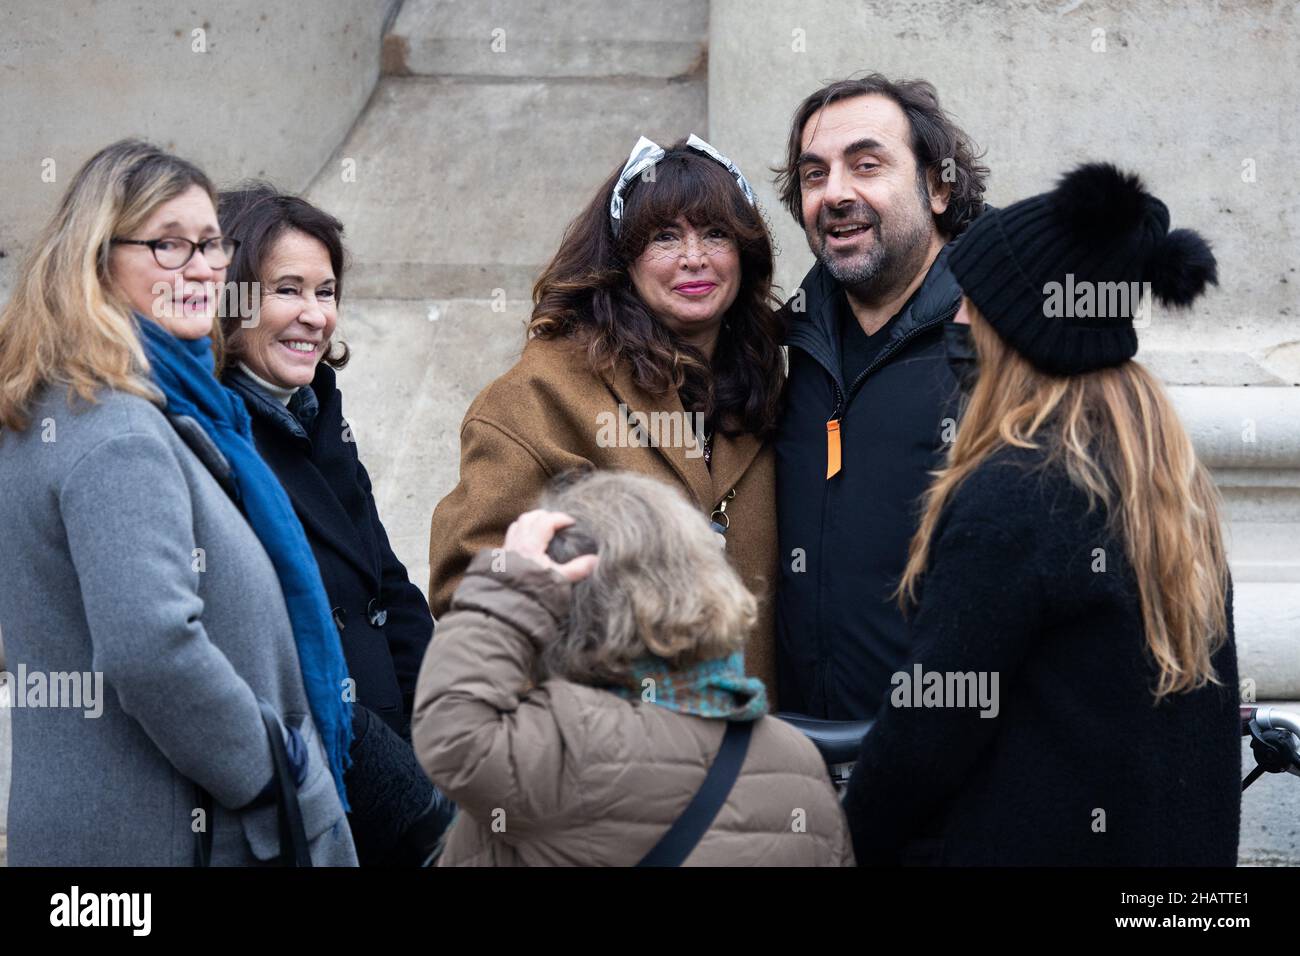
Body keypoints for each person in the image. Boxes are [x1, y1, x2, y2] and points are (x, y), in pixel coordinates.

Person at [843, 162, 1240, 866]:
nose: (956, 319)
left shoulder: (1020, 492)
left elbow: (925, 739)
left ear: (1021, 327)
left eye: (972, 301)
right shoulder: (1165, 481)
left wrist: (846, 842)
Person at [0, 140, 356, 865]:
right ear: (98, 257)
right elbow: (151, 647)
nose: (201, 267)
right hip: (169, 838)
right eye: (167, 245)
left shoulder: (67, 404)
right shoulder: (117, 431)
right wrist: (276, 779)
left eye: (210, 243)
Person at [428, 135, 785, 694]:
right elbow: (469, 584)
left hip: (750, 750)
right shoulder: (536, 394)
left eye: (715, 234)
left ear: (745, 252)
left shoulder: (772, 387)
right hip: (611, 755)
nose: (694, 257)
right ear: (622, 258)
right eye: (665, 237)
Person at [413, 470, 853, 866]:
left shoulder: (558, 743)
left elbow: (453, 732)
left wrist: (513, 581)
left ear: (564, 611)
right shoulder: (798, 763)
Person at [217, 186, 454, 865]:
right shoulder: (216, 440)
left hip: (396, 775)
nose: (314, 316)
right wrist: (413, 803)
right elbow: (273, 662)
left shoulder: (318, 414)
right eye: (287, 290)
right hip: (319, 795)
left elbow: (393, 598)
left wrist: (445, 748)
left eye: (326, 292)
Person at [770, 75, 989, 718]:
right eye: (814, 176)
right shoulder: (792, 346)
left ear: (939, 187)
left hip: (956, 773)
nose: (835, 194)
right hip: (804, 761)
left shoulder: (1001, 343)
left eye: (867, 165)